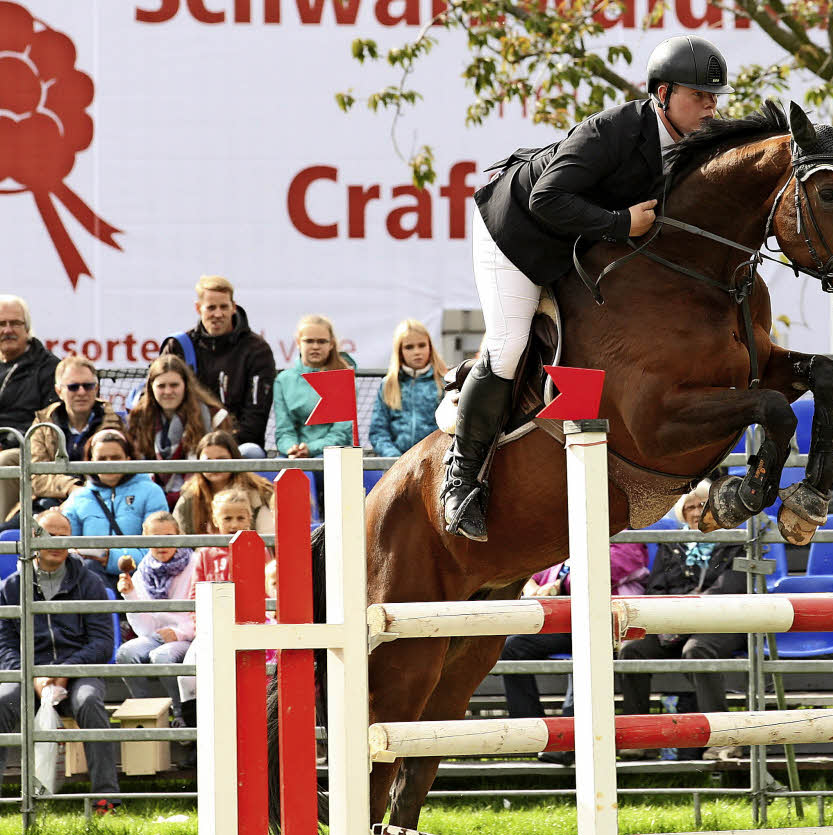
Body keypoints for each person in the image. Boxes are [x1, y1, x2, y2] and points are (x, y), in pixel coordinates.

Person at [441, 35, 733, 541]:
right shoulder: (612, 130)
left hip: (576, 243)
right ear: (661, 95)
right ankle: (461, 480)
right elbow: (545, 197)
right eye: (698, 95)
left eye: (713, 96)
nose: (710, 106)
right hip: (514, 231)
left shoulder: (694, 145)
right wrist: (621, 223)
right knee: (509, 346)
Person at [617, 481, 747, 761]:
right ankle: (640, 737)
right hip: (672, 623)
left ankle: (724, 739)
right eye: (690, 507)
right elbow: (655, 589)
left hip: (720, 623)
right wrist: (671, 617)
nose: (697, 511)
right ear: (681, 513)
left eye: (703, 505)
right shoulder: (672, 544)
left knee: (696, 651)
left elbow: (731, 586)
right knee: (631, 651)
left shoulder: (735, 541)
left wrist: (689, 613)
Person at [0, 510, 120, 813]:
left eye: (63, 534)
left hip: (79, 673)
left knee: (90, 702)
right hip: (28, 675)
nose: (56, 542)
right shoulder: (10, 587)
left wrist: (65, 671)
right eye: (48, 534)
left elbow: (103, 642)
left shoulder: (90, 583)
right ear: (32, 538)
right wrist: (31, 676)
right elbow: (4, 645)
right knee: (2, 701)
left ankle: (107, 799)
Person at [500, 543, 649, 765]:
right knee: (512, 648)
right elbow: (531, 569)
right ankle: (530, 733)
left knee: (583, 651)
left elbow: (603, 573)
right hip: (566, 623)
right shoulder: (565, 538)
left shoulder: (625, 538)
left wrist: (555, 586)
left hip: (607, 626)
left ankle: (568, 741)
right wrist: (530, 585)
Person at [177, 489, 272, 736]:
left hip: (250, 627)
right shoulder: (205, 554)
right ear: (215, 521)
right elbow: (194, 596)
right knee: (188, 674)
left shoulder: (259, 550)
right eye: (227, 519)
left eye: (241, 518)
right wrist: (202, 627)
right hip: (212, 629)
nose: (234, 524)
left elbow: (267, 591)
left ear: (249, 519)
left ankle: (261, 723)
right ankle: (192, 724)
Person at [160, 275, 275, 458]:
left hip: (238, 448)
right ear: (198, 308)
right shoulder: (178, 346)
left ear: (233, 307)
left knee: (251, 452)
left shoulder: (256, 350)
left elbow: (256, 417)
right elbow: (159, 402)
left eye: (224, 307)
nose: (218, 314)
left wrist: (219, 450)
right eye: (211, 307)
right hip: (185, 444)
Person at [3, 355, 123, 527]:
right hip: (48, 501)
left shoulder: (115, 423)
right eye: (73, 387)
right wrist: (71, 488)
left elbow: (117, 473)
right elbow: (36, 476)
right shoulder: (43, 423)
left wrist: (81, 494)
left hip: (100, 500)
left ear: (96, 388)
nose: (82, 392)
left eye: (88, 386)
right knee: (5, 535)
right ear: (59, 391)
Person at [63, 430, 169, 593]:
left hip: (139, 575)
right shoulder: (78, 498)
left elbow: (157, 550)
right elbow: (68, 550)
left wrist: (109, 557)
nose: (108, 463)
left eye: (115, 458)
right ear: (91, 461)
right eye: (102, 459)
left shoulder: (151, 491)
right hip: (92, 576)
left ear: (128, 458)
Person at [115, 511, 194, 725]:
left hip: (191, 639)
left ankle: (180, 716)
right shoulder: (142, 570)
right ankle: (145, 711)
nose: (162, 545)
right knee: (126, 653)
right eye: (155, 538)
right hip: (158, 637)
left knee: (162, 656)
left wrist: (178, 633)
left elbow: (202, 613)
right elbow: (145, 628)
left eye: (168, 537)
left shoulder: (194, 565)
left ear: (179, 536)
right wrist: (130, 594)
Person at [127, 354, 232, 507]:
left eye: (174, 385)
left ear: (185, 385)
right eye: (161, 386)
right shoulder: (138, 418)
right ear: (151, 388)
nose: (168, 391)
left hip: (200, 493)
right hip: (150, 495)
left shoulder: (213, 416)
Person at [274, 315, 355, 505]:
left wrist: (311, 449)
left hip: (332, 454)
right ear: (298, 343)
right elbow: (284, 430)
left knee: (322, 468)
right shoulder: (283, 380)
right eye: (309, 341)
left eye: (321, 341)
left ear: (332, 344)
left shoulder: (343, 378)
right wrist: (291, 448)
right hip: (294, 454)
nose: (315, 346)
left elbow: (341, 433)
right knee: (280, 470)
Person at [0, 295, 60, 521]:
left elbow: (48, 426)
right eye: (1, 324)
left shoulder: (49, 368)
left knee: (5, 461)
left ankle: (2, 541)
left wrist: (6, 442)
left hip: (27, 449)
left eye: (15, 323)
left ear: (27, 328)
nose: (8, 330)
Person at [369, 318, 447, 457]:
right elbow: (378, 432)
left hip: (434, 463)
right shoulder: (388, 385)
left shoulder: (445, 383)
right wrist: (395, 458)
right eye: (409, 347)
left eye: (422, 345)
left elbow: (450, 430)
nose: (417, 351)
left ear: (430, 347)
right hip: (396, 465)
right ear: (399, 351)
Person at [172, 431, 275, 536]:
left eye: (221, 459)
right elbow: (177, 539)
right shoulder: (189, 497)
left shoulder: (257, 493)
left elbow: (268, 539)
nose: (214, 465)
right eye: (208, 460)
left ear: (234, 459)